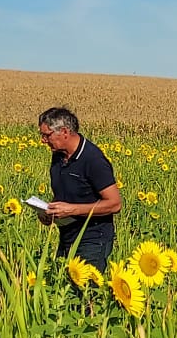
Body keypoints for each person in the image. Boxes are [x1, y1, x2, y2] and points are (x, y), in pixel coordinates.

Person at [35, 107, 121, 275]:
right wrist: (49, 211)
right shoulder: (59, 156)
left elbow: (115, 204)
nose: (43, 141)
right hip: (67, 235)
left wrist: (72, 209)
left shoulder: (93, 160)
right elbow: (66, 193)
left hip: (92, 238)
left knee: (84, 292)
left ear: (65, 132)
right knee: (62, 288)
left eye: (47, 135)